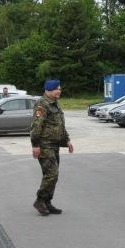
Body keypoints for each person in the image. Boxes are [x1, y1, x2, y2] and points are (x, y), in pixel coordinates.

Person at [30, 79, 73, 216]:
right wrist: (35, 145)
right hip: (44, 145)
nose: (59, 91)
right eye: (57, 89)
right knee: (52, 174)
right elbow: (36, 126)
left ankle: (47, 202)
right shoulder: (42, 104)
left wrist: (67, 141)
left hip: (54, 145)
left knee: (53, 175)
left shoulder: (55, 104)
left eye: (60, 89)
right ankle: (40, 200)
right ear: (49, 90)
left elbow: (60, 125)